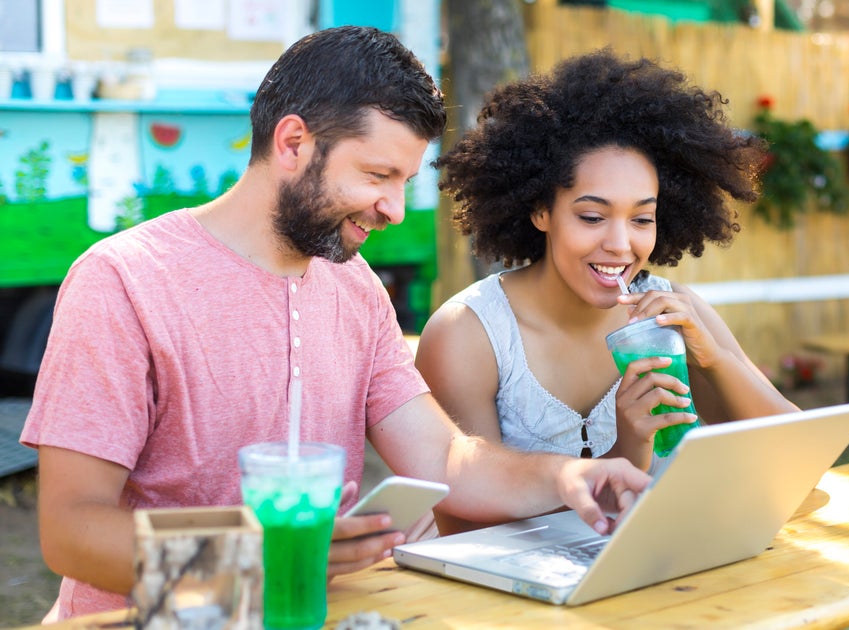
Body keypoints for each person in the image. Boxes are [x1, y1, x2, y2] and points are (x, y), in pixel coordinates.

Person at [19, 27, 649, 622]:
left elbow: (446, 458)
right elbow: (72, 531)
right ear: (293, 144)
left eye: (404, 181)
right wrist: (264, 563)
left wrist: (569, 476)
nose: (395, 210)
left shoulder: (355, 287)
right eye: (377, 176)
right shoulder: (123, 280)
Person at [417, 50, 799, 489]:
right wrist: (626, 451)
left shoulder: (674, 314)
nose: (620, 245)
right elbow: (464, 520)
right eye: (593, 217)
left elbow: (797, 455)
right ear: (541, 210)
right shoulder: (468, 335)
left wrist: (714, 359)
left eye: (641, 219)